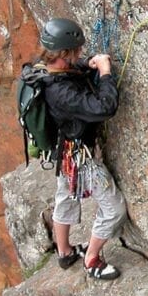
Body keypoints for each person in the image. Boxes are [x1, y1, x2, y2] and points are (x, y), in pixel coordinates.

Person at [37, 17, 125, 280]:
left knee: (65, 196)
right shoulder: (61, 93)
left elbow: (69, 71)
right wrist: (106, 72)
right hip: (80, 157)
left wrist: (87, 65)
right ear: (64, 54)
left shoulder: (43, 69)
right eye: (75, 52)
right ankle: (92, 258)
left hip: (64, 149)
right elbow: (104, 107)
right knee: (114, 209)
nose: (79, 55)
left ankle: (64, 252)